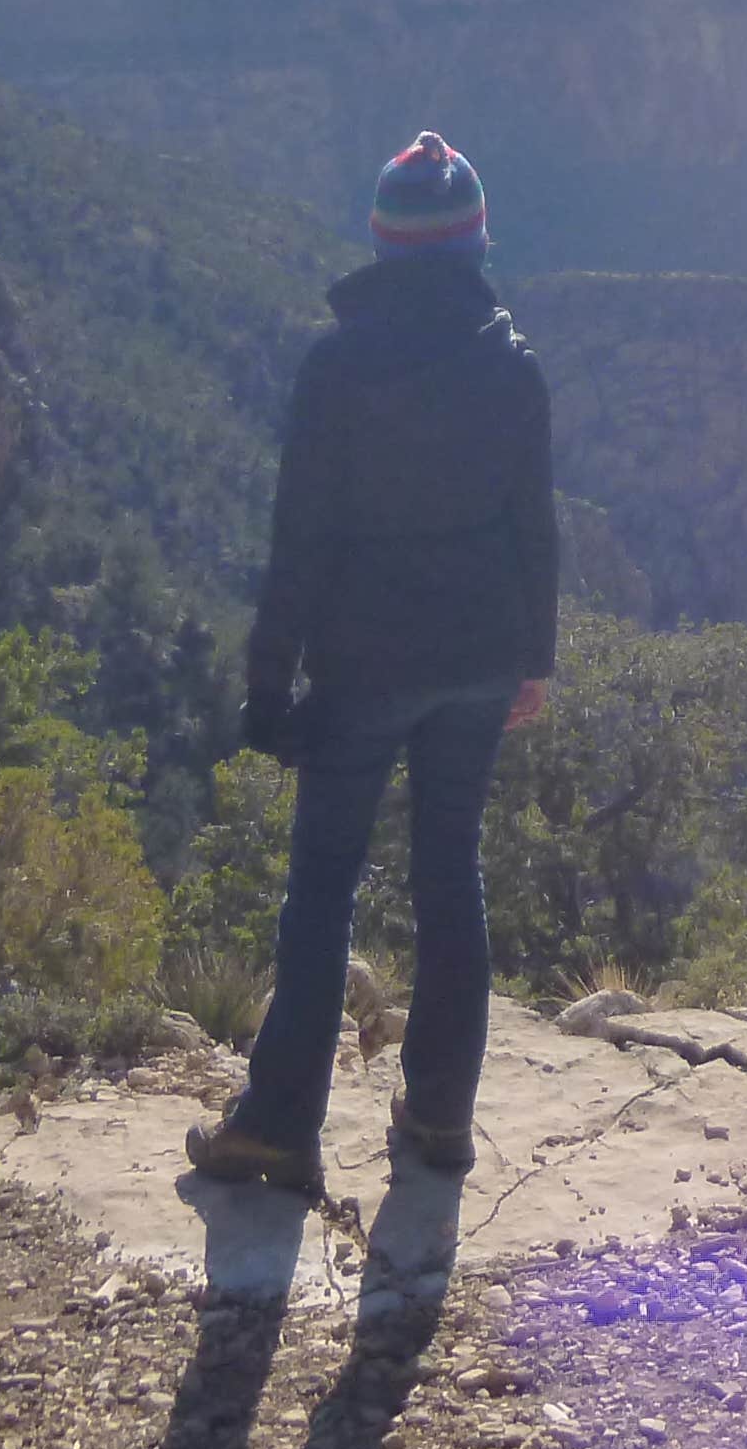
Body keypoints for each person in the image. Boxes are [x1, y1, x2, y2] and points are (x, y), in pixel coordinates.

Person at [188, 129, 556, 1197]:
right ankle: (440, 1117)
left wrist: (269, 681)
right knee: (452, 873)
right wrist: (534, 658)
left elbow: (299, 536)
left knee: (322, 889)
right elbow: (534, 528)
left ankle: (277, 1126)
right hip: (481, 654)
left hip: (363, 662)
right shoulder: (510, 361)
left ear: (386, 244)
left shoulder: (338, 366)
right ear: (476, 239)